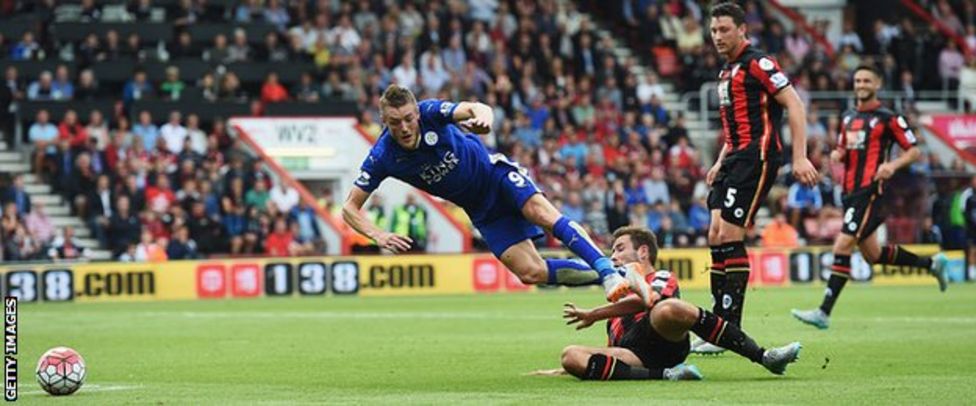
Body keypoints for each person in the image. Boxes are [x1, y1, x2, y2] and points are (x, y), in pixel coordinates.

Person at [342, 85, 629, 299]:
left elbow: (475, 107)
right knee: (531, 272)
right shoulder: (382, 156)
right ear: (384, 121)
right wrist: (378, 235)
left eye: (408, 118)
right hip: (480, 209)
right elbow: (349, 207)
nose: (404, 127)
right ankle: (621, 274)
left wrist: (484, 119)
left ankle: (606, 271)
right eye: (394, 122)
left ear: (416, 112)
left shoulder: (431, 113)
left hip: (495, 176)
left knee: (539, 211)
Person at [696, 2, 820, 354]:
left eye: (724, 30)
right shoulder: (726, 72)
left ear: (742, 30)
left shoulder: (758, 63)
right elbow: (735, 126)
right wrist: (720, 160)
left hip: (757, 157)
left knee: (731, 235)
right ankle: (717, 327)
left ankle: (727, 330)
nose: (717, 36)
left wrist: (800, 156)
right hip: (734, 157)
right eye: (714, 30)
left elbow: (794, 104)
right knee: (715, 234)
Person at [791, 65, 949, 329]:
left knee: (842, 246)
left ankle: (824, 312)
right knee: (873, 255)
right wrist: (837, 155)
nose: (861, 84)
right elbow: (843, 147)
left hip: (872, 191)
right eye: (857, 80)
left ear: (877, 85)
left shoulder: (889, 118)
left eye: (866, 80)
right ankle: (932, 264)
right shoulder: (849, 117)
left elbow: (913, 151)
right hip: (850, 193)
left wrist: (891, 166)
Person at [554, 226, 801, 380]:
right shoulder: (616, 299)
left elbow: (649, 301)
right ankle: (666, 375)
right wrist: (583, 363)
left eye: (619, 249)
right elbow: (611, 349)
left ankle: (764, 356)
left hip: (663, 340)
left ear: (642, 252)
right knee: (570, 355)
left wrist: (595, 314)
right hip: (634, 356)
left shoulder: (660, 277)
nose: (613, 257)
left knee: (667, 308)